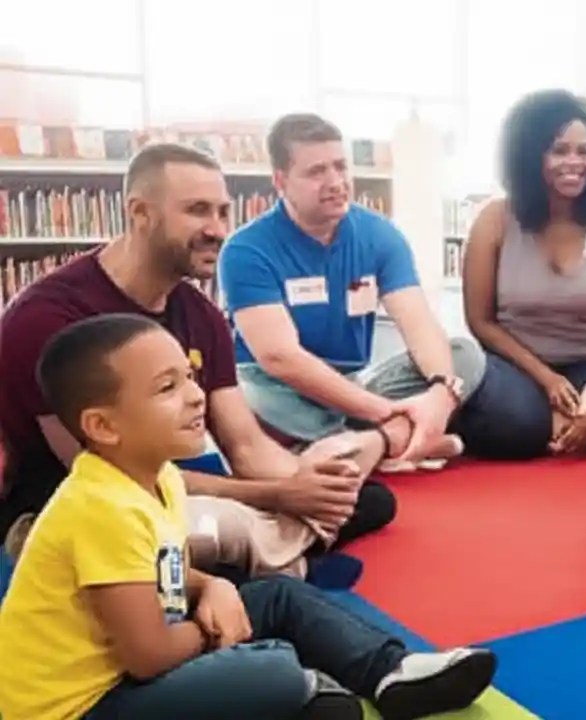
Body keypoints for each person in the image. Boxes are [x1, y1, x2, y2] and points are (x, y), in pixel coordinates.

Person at [0, 314, 497, 720]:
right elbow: (149, 657)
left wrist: (210, 588)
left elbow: (158, 567)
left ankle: (391, 672)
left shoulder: (159, 478)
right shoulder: (100, 507)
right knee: (276, 670)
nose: (196, 395)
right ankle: (294, 686)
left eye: (190, 377)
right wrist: (218, 633)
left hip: (129, 663)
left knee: (275, 597)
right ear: (103, 425)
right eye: (167, 387)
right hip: (84, 707)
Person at [0, 143, 393, 582]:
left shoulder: (201, 315)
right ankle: (269, 561)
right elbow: (110, 472)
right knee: (195, 529)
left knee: (367, 501)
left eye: (223, 213)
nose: (217, 229)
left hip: (175, 489)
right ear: (140, 213)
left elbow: (244, 444)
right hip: (79, 506)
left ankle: (259, 560)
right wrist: (279, 496)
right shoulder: (48, 320)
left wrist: (310, 488)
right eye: (198, 211)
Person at [219, 113, 483, 472]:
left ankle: (354, 445)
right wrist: (384, 411)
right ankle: (391, 438)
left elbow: (419, 324)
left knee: (464, 354)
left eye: (341, 167)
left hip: (356, 384)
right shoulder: (245, 250)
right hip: (279, 389)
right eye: (316, 172)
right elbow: (279, 358)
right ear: (280, 181)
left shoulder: (379, 234)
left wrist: (440, 393)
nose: (336, 182)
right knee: (240, 393)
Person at [456, 89, 586, 459]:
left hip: (585, 364)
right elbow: (480, 321)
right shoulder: (495, 219)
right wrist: (546, 378)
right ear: (529, 156)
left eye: (584, 151)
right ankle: (546, 422)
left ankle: (560, 424)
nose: (575, 162)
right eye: (559, 150)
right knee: (516, 423)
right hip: (514, 362)